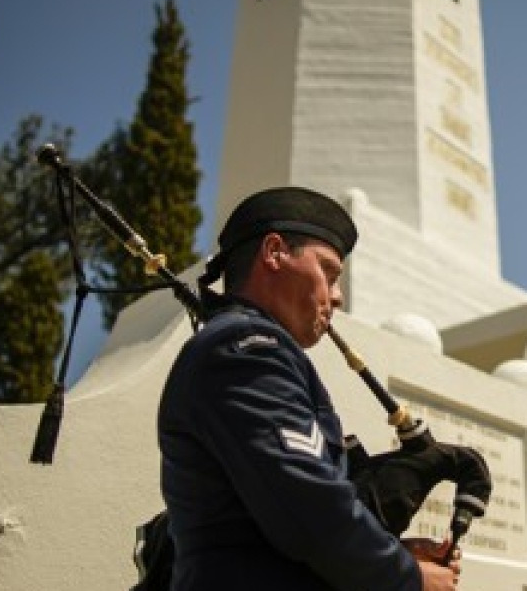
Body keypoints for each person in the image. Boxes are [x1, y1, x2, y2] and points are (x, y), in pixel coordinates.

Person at [158, 186, 460, 590]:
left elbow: (283, 521)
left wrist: (394, 553)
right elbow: (308, 510)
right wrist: (405, 577)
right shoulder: (243, 351)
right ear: (275, 252)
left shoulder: (257, 351)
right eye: (329, 273)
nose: (337, 297)